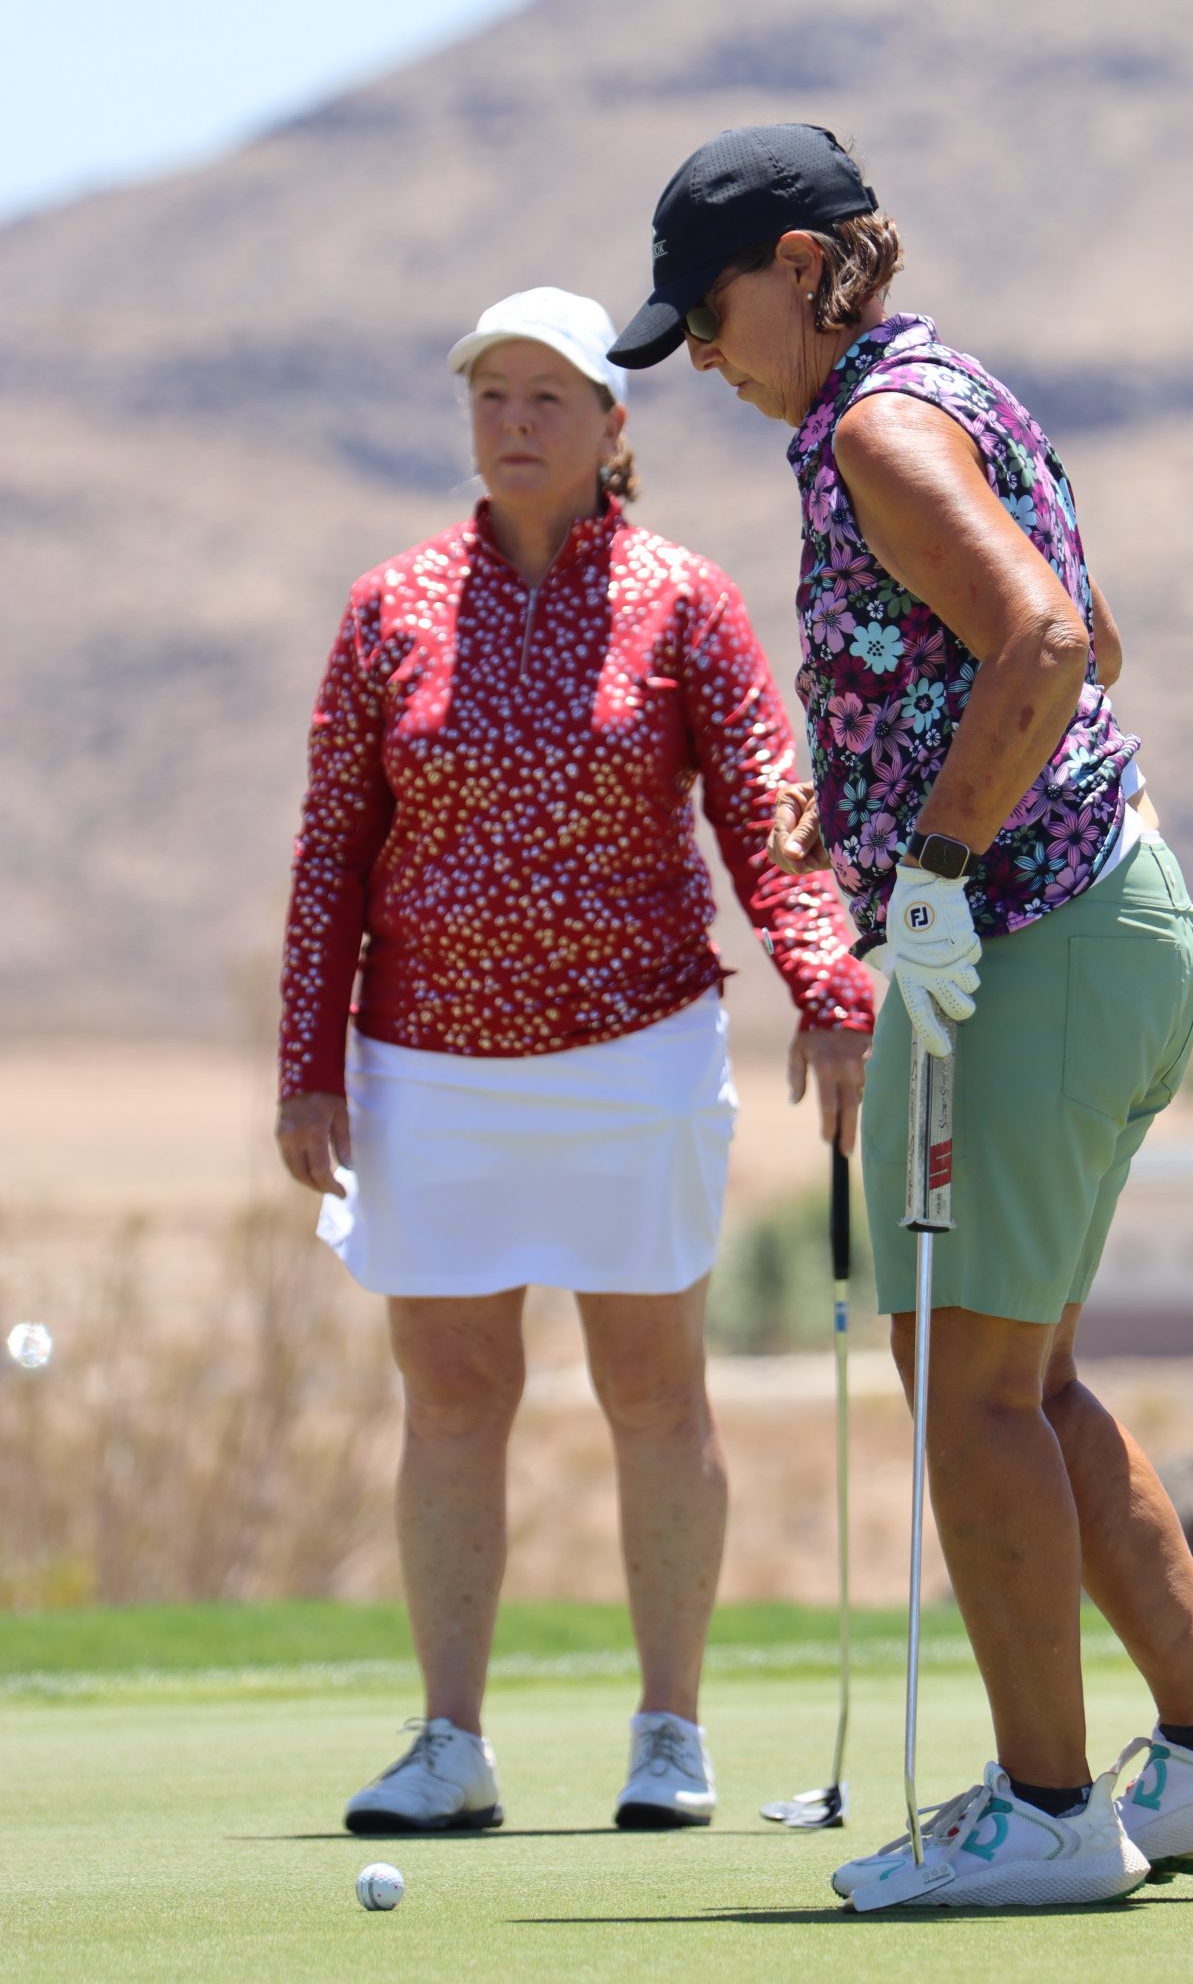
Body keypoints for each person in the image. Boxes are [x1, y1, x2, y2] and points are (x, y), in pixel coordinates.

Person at [608, 126, 1193, 1906]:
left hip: (1028, 943)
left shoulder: (875, 424)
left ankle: (1046, 1808)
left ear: (796, 268)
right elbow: (1090, 632)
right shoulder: (952, 390)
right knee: (1018, 1373)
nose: (702, 362)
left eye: (708, 318)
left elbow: (1045, 644)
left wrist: (928, 867)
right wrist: (870, 805)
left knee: (970, 1386)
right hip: (1107, 924)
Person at [275, 286, 875, 1835]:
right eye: (491, 397)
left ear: (613, 425)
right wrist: (307, 1062)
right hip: (429, 1064)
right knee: (451, 1393)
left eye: (547, 397)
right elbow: (334, 847)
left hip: (636, 1056)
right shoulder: (391, 607)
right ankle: (447, 1746)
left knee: (653, 1390)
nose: (515, 424)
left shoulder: (683, 602)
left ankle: (669, 1735)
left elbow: (763, 814)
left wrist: (828, 989)